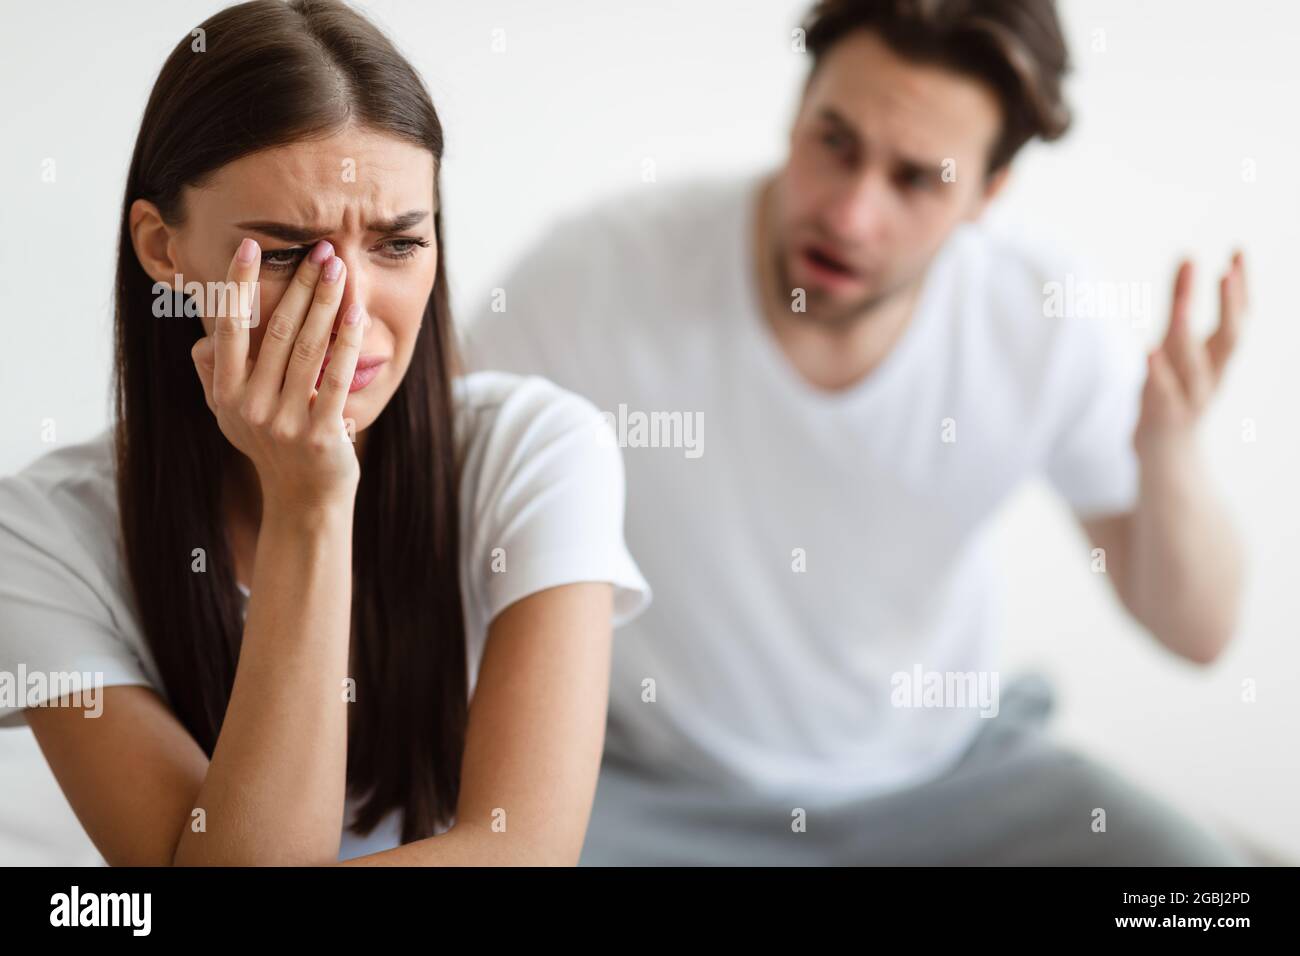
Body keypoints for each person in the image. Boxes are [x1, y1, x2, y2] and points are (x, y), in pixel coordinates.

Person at [463, 0, 1250, 865]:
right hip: (658, 791)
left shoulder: (1041, 319)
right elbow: (425, 504)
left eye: (916, 179)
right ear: (797, 112)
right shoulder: (596, 277)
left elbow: (1197, 631)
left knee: (1201, 887)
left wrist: (1169, 453)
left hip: (951, 788)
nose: (849, 213)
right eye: (834, 141)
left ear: (987, 195)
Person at [0, 0, 650, 866]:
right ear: (163, 248)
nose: (346, 311)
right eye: (280, 253)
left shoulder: (537, 455)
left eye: (397, 244)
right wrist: (310, 505)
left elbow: (524, 851)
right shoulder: (40, 539)